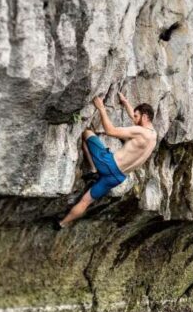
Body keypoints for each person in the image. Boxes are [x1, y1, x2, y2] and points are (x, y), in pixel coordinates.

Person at [55, 93, 157, 229]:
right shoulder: (153, 136)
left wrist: (101, 108)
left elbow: (110, 131)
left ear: (145, 116)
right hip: (118, 177)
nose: (134, 118)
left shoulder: (140, 132)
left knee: (86, 133)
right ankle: (61, 224)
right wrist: (126, 102)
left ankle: (93, 169)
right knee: (85, 201)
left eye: (137, 116)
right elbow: (136, 118)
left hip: (108, 164)